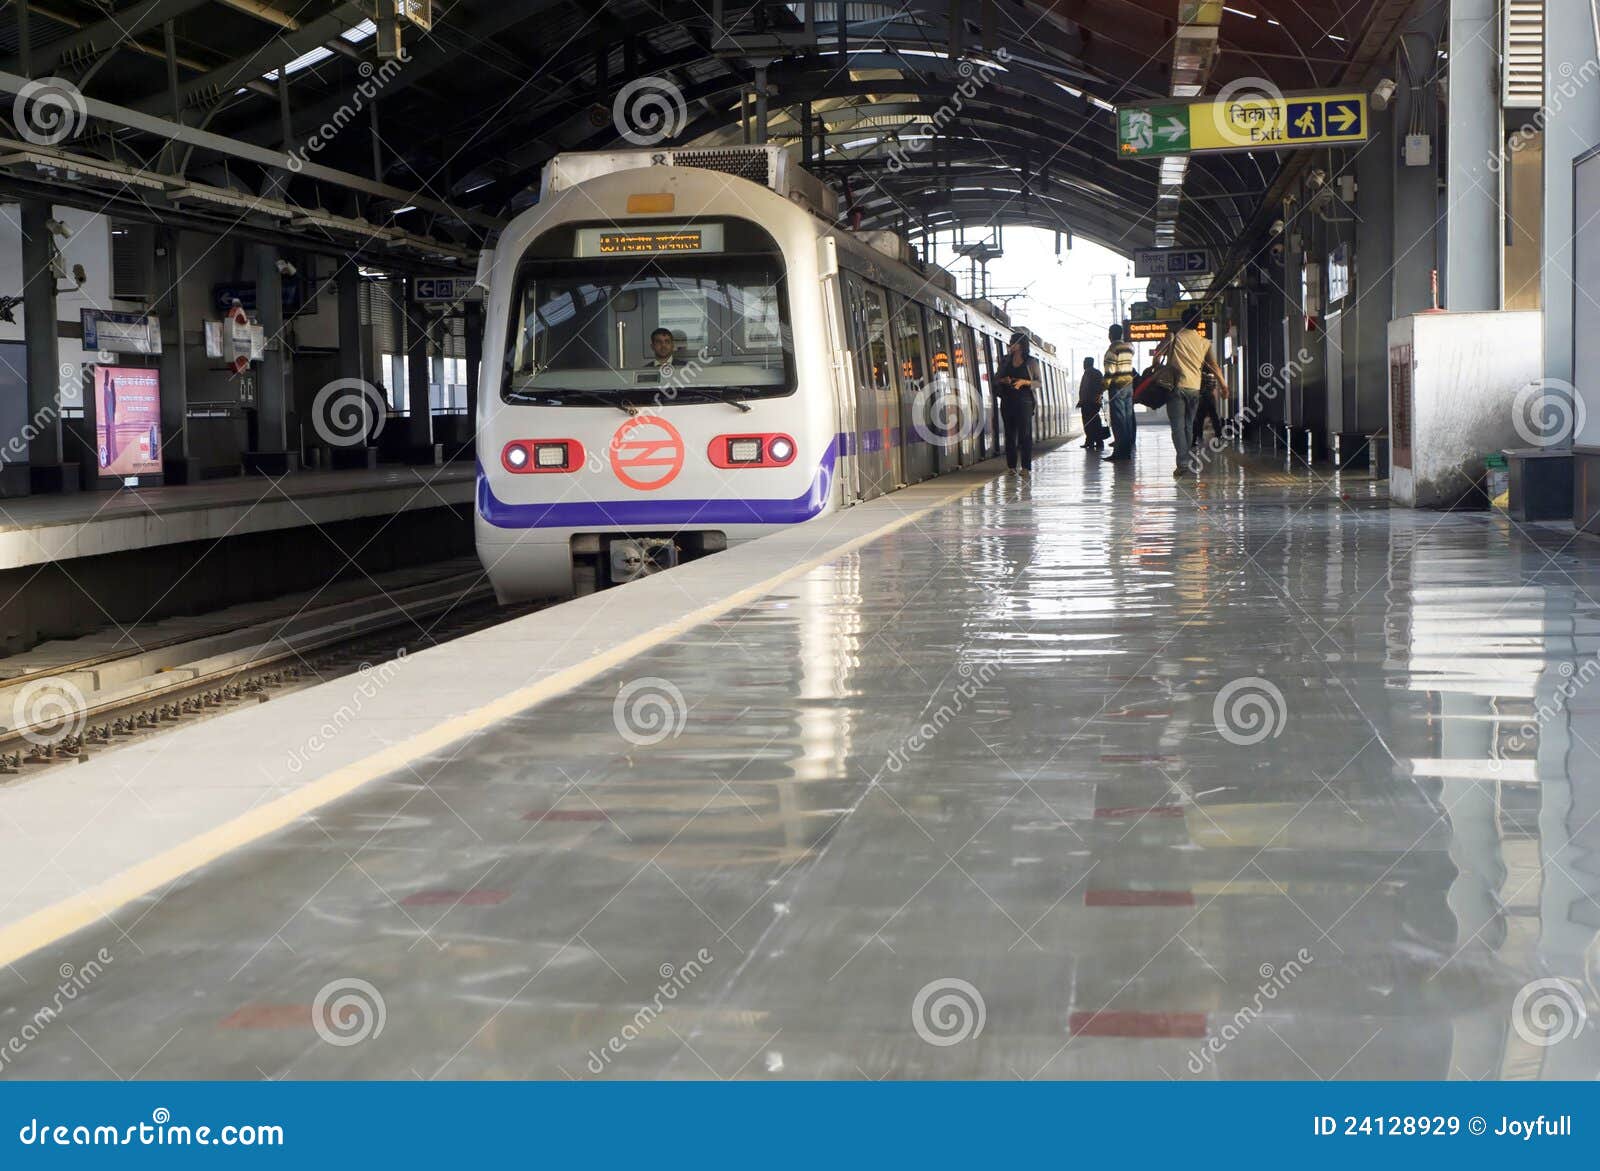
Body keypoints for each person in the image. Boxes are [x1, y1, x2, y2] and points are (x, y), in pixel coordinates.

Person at [1157, 306, 1229, 479]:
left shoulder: (1174, 337)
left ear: (1183, 321)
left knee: (1177, 427)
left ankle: (1182, 463)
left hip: (1176, 387)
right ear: (1199, 323)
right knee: (1189, 425)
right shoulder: (1204, 342)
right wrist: (1223, 384)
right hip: (1194, 388)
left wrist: (1161, 363)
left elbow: (1157, 356)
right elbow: (1214, 365)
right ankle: (1185, 458)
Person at [995, 332, 1040, 476]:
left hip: (1025, 401)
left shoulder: (1031, 362)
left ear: (1020, 345)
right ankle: (1011, 467)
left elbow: (1038, 382)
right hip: (1007, 400)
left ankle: (1026, 467)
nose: (1010, 345)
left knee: (1025, 435)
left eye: (1012, 343)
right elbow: (996, 378)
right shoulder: (1005, 361)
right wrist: (1004, 380)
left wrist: (1023, 382)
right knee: (1009, 434)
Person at [1102, 324, 1136, 462]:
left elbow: (1109, 372)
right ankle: (1127, 451)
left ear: (1110, 335)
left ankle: (1119, 453)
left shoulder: (1111, 350)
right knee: (1127, 420)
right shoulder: (1128, 349)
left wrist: (1102, 388)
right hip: (1129, 387)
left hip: (1117, 388)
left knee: (1119, 422)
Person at [1078, 356, 1106, 452]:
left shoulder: (1088, 373)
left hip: (1088, 403)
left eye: (1085, 362)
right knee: (1095, 422)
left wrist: (1082, 401)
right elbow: (1103, 386)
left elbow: (1085, 389)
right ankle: (1097, 441)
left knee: (1088, 423)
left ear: (1088, 363)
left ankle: (1091, 441)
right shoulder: (1097, 373)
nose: (1083, 364)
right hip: (1094, 402)